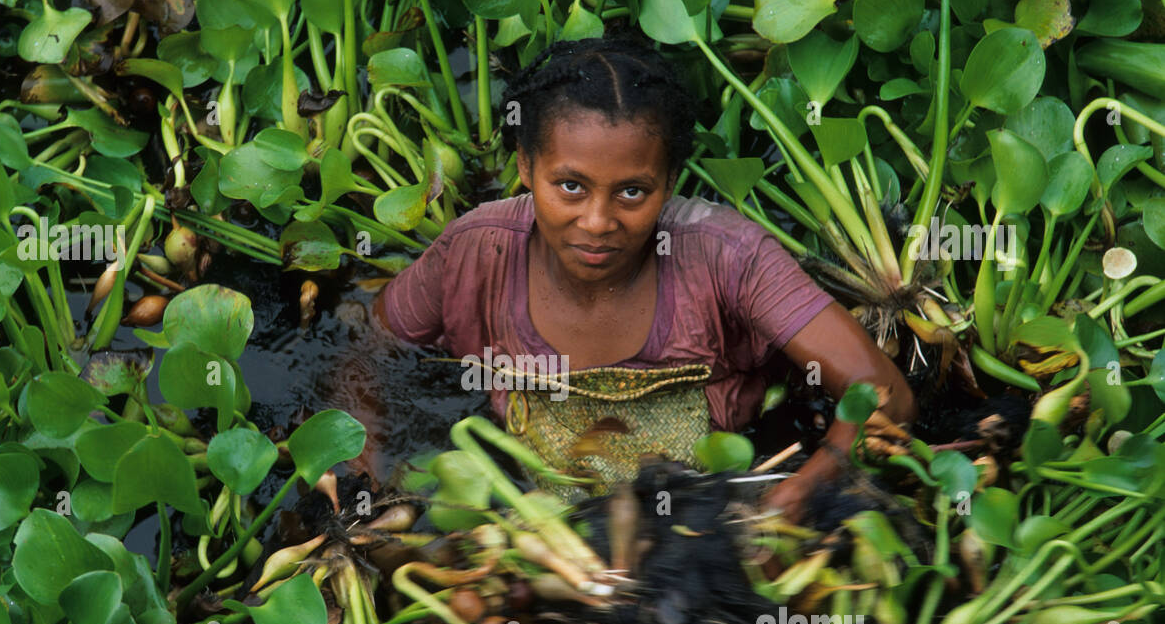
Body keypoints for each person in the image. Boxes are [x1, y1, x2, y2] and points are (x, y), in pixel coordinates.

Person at [369, 36, 914, 523]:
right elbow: (371, 350)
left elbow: (886, 397)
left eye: (632, 192)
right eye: (570, 187)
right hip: (537, 528)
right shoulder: (476, 250)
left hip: (704, 521)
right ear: (526, 167)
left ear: (670, 183)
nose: (598, 221)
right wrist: (370, 477)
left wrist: (801, 493)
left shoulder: (726, 256)